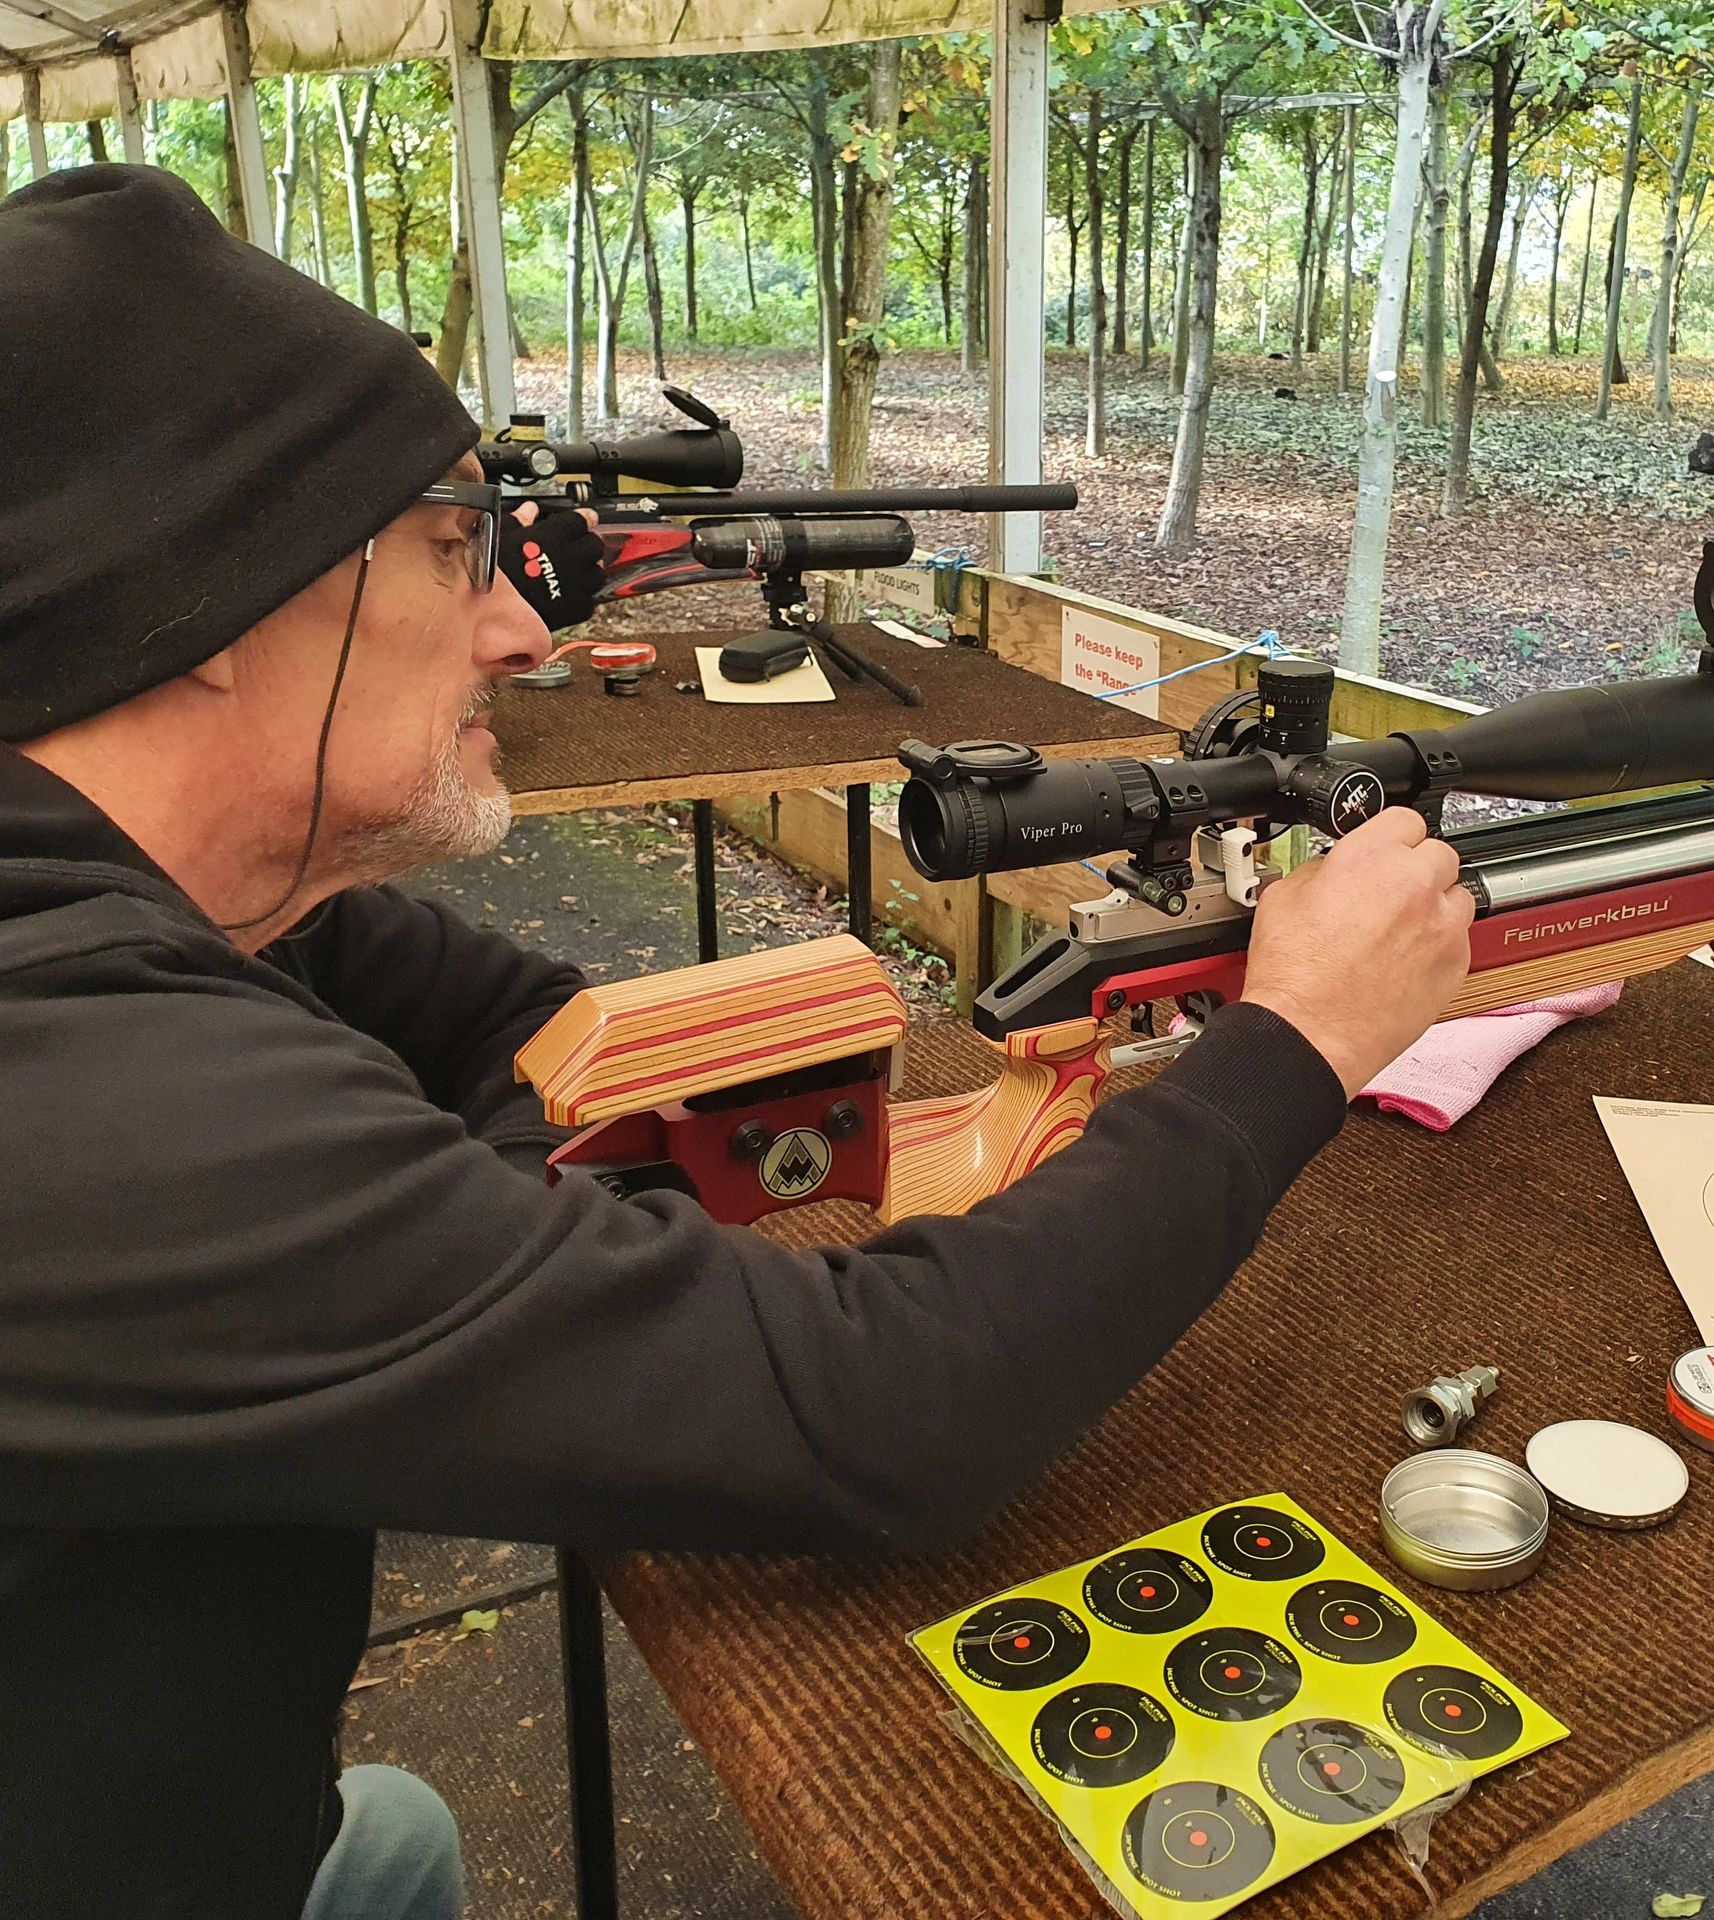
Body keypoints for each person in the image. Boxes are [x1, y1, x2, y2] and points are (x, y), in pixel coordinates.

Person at [0, 165, 1475, 1920]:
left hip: (243, 1812)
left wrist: (528, 1216)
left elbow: (524, 1027)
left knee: (394, 1845)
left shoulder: (144, 901)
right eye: (450, 545)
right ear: (218, 616)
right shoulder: (100, 1111)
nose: (523, 629)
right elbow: (888, 1408)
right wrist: (1297, 1039)